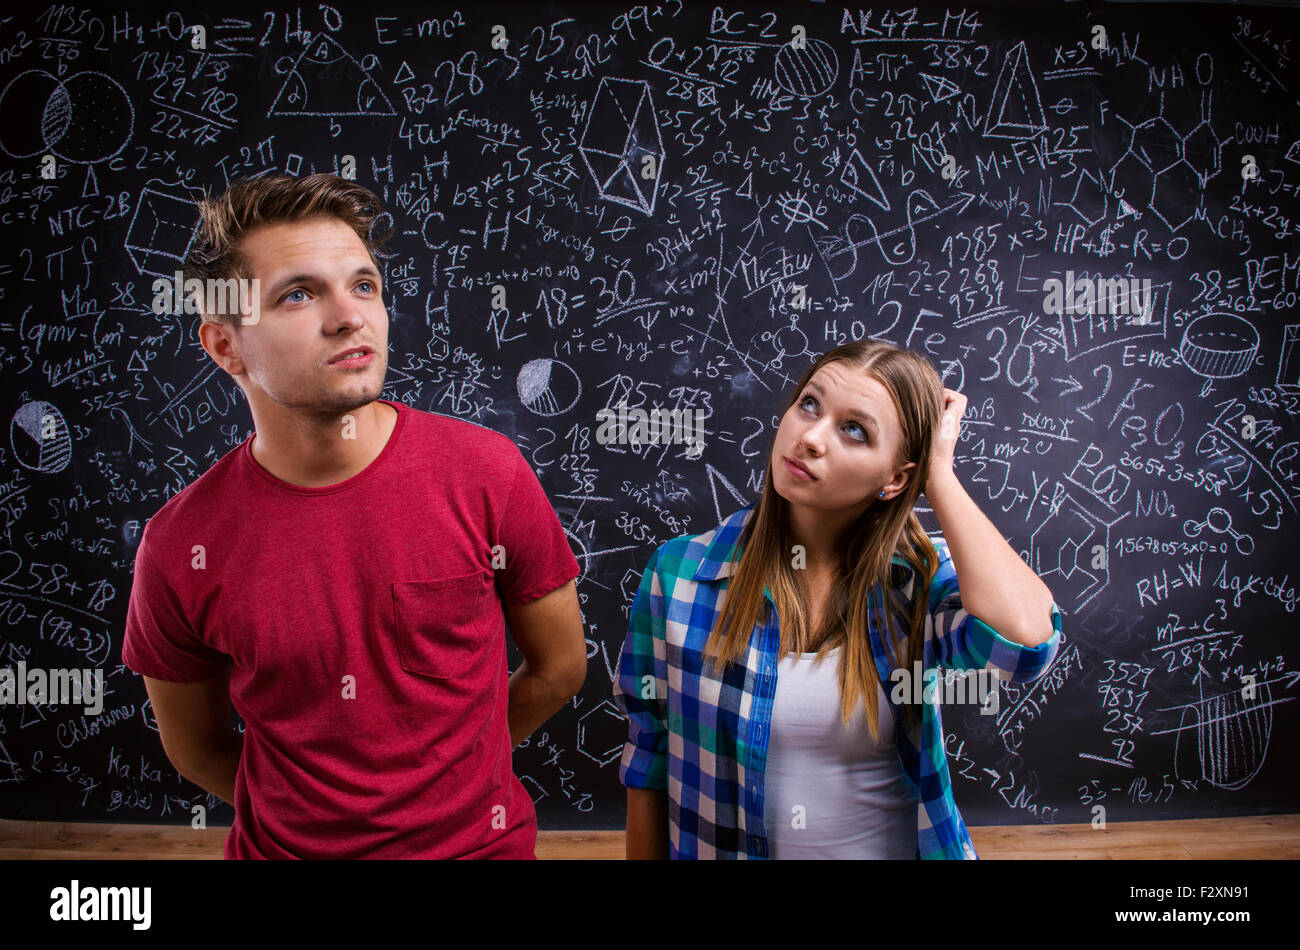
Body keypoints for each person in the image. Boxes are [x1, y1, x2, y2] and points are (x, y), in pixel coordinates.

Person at [122, 173, 587, 859]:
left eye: (363, 285)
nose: (350, 316)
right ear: (225, 346)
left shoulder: (487, 473)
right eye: (299, 294)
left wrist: (453, 776)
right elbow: (195, 749)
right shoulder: (179, 545)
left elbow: (560, 668)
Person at [612, 339, 1063, 859]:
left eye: (854, 430)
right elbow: (648, 755)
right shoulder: (682, 575)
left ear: (895, 479)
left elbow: (1026, 646)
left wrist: (938, 472)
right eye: (809, 404)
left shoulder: (916, 580)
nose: (810, 438)